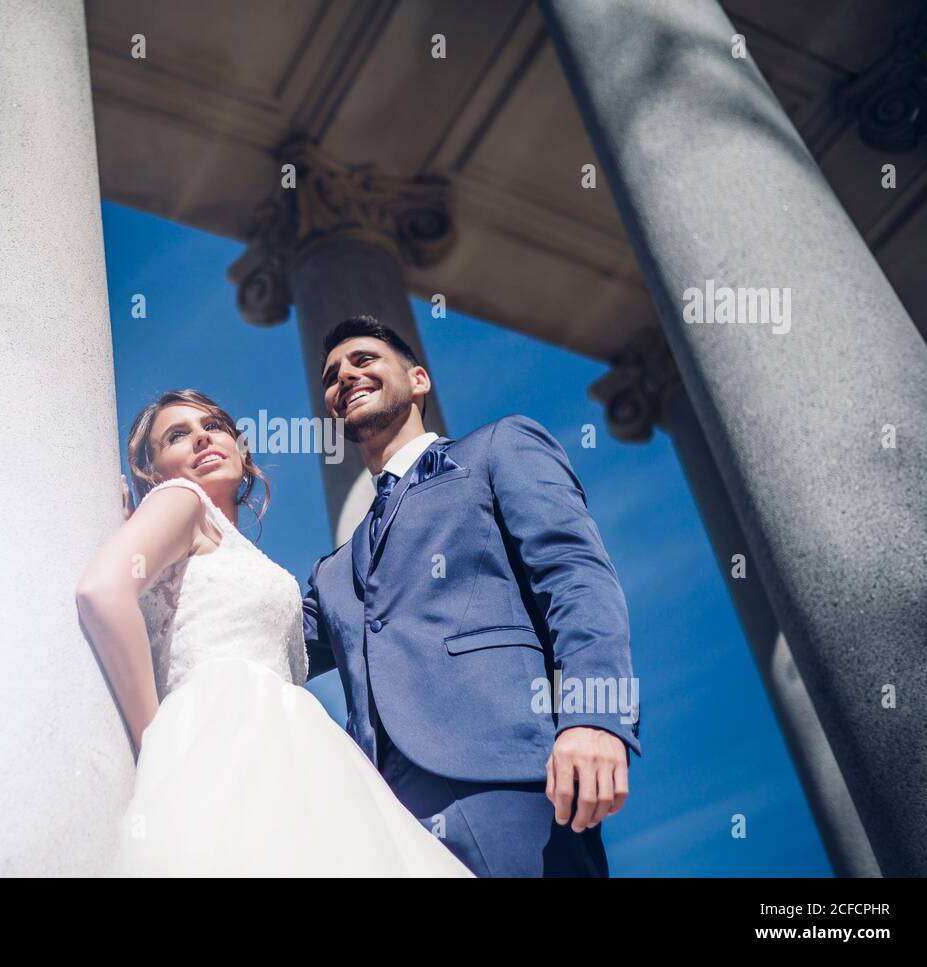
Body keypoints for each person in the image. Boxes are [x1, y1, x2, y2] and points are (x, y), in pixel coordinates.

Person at [76, 388, 472, 876]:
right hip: (225, 730)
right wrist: (153, 735)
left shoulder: (227, 541)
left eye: (213, 427)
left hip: (287, 745)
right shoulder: (182, 499)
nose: (202, 438)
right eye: (178, 436)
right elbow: (102, 591)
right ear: (154, 472)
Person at [303, 315, 641, 877]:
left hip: (502, 777)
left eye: (363, 360)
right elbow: (256, 639)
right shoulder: (332, 573)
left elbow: (576, 576)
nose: (345, 377)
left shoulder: (498, 447)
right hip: (382, 821)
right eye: (332, 375)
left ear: (418, 380)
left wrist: (595, 716)